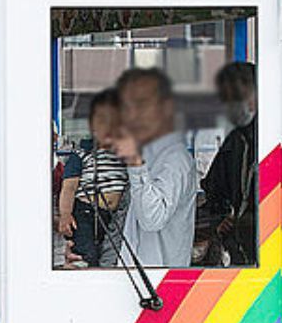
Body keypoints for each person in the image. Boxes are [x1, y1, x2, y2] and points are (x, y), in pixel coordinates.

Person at [108, 67, 197, 268]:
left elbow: (152, 218)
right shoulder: (149, 153)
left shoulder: (176, 158)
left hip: (158, 283)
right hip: (138, 277)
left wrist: (135, 163)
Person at [57, 89, 128, 268]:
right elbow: (69, 188)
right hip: (86, 212)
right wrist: (65, 215)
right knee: (87, 254)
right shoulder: (81, 154)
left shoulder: (125, 156)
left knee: (111, 256)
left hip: (114, 216)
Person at [199, 61, 259, 267]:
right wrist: (222, 218)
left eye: (240, 97)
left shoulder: (277, 137)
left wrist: (246, 220)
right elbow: (214, 187)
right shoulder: (237, 138)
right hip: (240, 251)